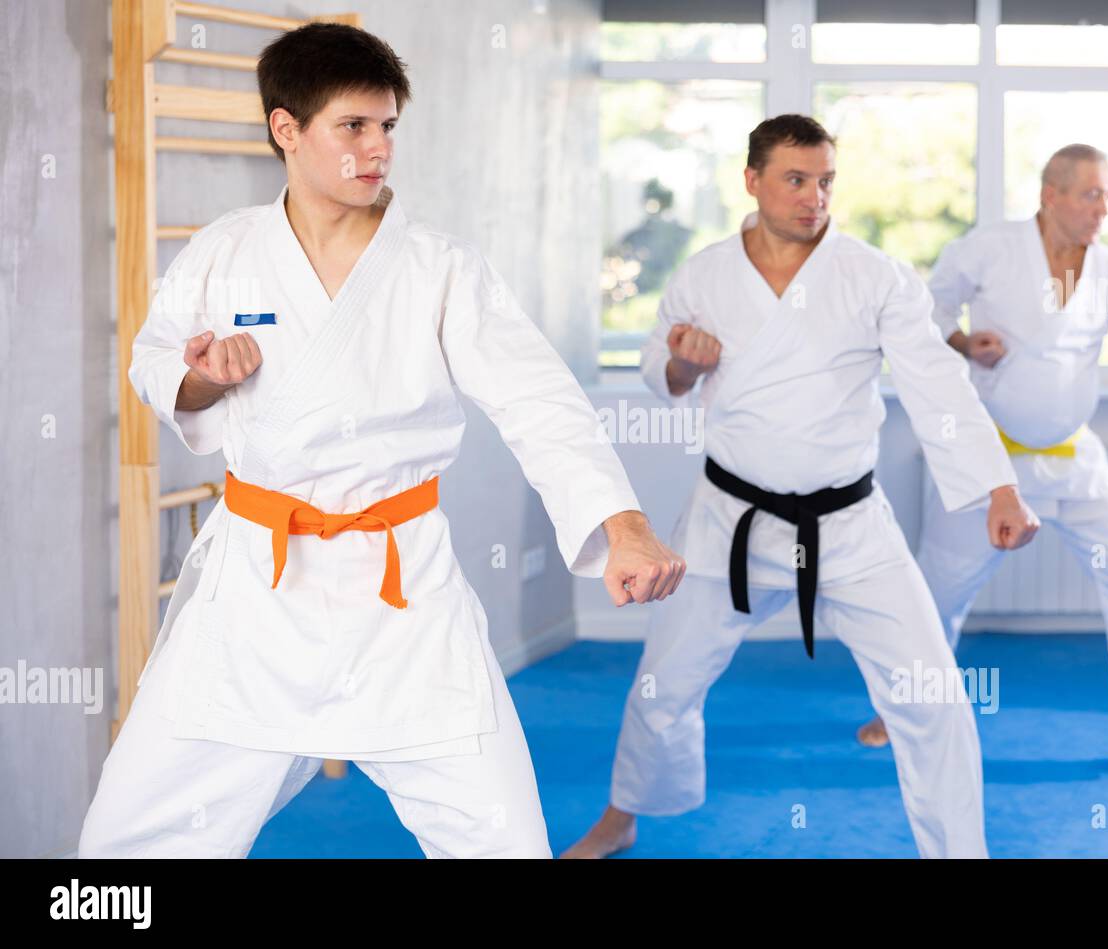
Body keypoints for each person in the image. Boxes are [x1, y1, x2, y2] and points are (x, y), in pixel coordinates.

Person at [79, 22, 684, 859]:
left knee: (502, 839)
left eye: (387, 126)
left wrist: (619, 523)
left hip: (404, 595)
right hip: (256, 591)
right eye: (352, 127)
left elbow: (539, 401)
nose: (376, 149)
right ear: (285, 130)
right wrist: (204, 378)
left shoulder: (440, 268)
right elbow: (154, 358)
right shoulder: (226, 251)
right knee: (124, 838)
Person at [562, 115, 1039, 859]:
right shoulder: (706, 273)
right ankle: (623, 815)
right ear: (751, 181)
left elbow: (937, 385)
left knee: (933, 693)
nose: (813, 197)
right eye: (794, 179)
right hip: (728, 519)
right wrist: (686, 362)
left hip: (849, 525)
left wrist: (997, 487)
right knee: (664, 685)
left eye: (824, 181)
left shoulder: (875, 275)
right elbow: (663, 375)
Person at [855, 144, 1108, 789]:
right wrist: (963, 343)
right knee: (937, 591)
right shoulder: (989, 247)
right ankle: (895, 708)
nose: (1103, 209)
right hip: (989, 465)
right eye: (1091, 194)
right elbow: (925, 309)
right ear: (1051, 194)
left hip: (1075, 460)